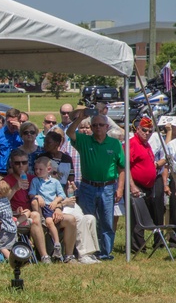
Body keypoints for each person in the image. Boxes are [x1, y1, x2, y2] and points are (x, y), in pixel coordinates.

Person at [66, 108, 125, 260]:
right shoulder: (84, 141)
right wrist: (79, 119)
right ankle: (90, 251)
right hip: (88, 186)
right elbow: (69, 133)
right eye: (95, 125)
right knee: (89, 219)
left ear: (107, 127)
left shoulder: (115, 143)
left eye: (101, 125)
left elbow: (122, 167)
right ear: (91, 128)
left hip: (108, 187)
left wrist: (120, 188)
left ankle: (105, 252)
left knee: (106, 221)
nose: (98, 127)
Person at [127, 117, 165, 253]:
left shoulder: (146, 144)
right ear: (137, 129)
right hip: (136, 185)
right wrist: (132, 186)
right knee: (137, 218)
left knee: (147, 215)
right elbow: (125, 167)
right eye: (144, 130)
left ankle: (146, 244)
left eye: (150, 131)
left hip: (149, 186)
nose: (147, 133)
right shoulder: (132, 144)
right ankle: (137, 248)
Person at [29, 156, 74, 262]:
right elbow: (31, 194)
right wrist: (38, 196)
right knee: (49, 221)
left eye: (40, 169)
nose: (37, 171)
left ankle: (62, 249)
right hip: (42, 208)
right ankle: (57, 244)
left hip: (51, 207)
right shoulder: (35, 181)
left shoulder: (55, 182)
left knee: (64, 220)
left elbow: (62, 195)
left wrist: (55, 202)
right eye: (36, 169)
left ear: (48, 169)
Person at [0, 108, 22, 175]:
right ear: (6, 120)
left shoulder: (23, 134)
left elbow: (29, 146)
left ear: (19, 121)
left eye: (13, 122)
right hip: (1, 171)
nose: (11, 125)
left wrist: (20, 130)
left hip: (19, 170)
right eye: (9, 122)